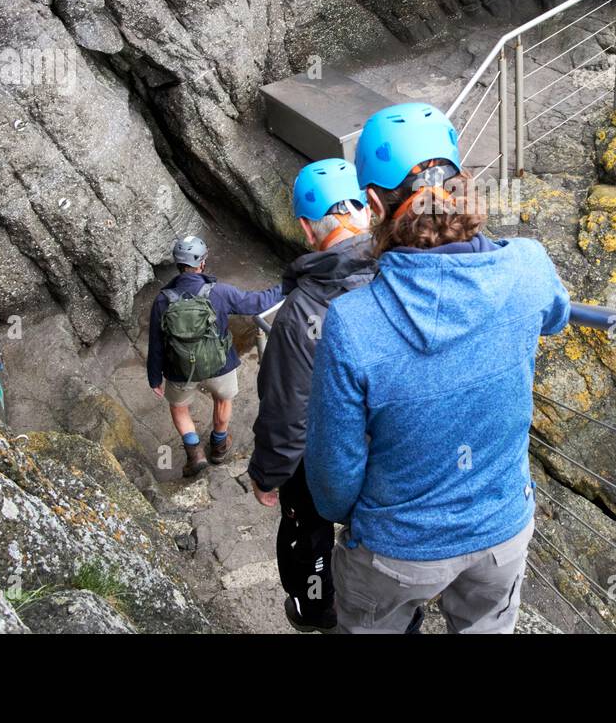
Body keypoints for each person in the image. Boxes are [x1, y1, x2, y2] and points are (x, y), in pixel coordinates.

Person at [306, 102, 571, 634]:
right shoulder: (528, 266)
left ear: (375, 204)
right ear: (465, 184)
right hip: (501, 531)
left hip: (395, 551)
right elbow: (557, 316)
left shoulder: (352, 322)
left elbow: (332, 486)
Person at [248, 159, 378, 633]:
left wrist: (268, 475)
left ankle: (316, 609)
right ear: (368, 210)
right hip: (391, 445)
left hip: (321, 457)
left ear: (306, 228)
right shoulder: (405, 271)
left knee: (309, 529)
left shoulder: (300, 314)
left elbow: (286, 412)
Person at [148, 235, 283, 478]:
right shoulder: (219, 292)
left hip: (180, 369)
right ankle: (219, 447)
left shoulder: (162, 300)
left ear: (178, 263)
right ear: (201, 263)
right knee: (223, 400)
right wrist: (286, 287)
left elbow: (156, 342)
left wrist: (154, 377)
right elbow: (257, 303)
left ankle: (195, 455)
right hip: (220, 365)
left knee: (179, 408)